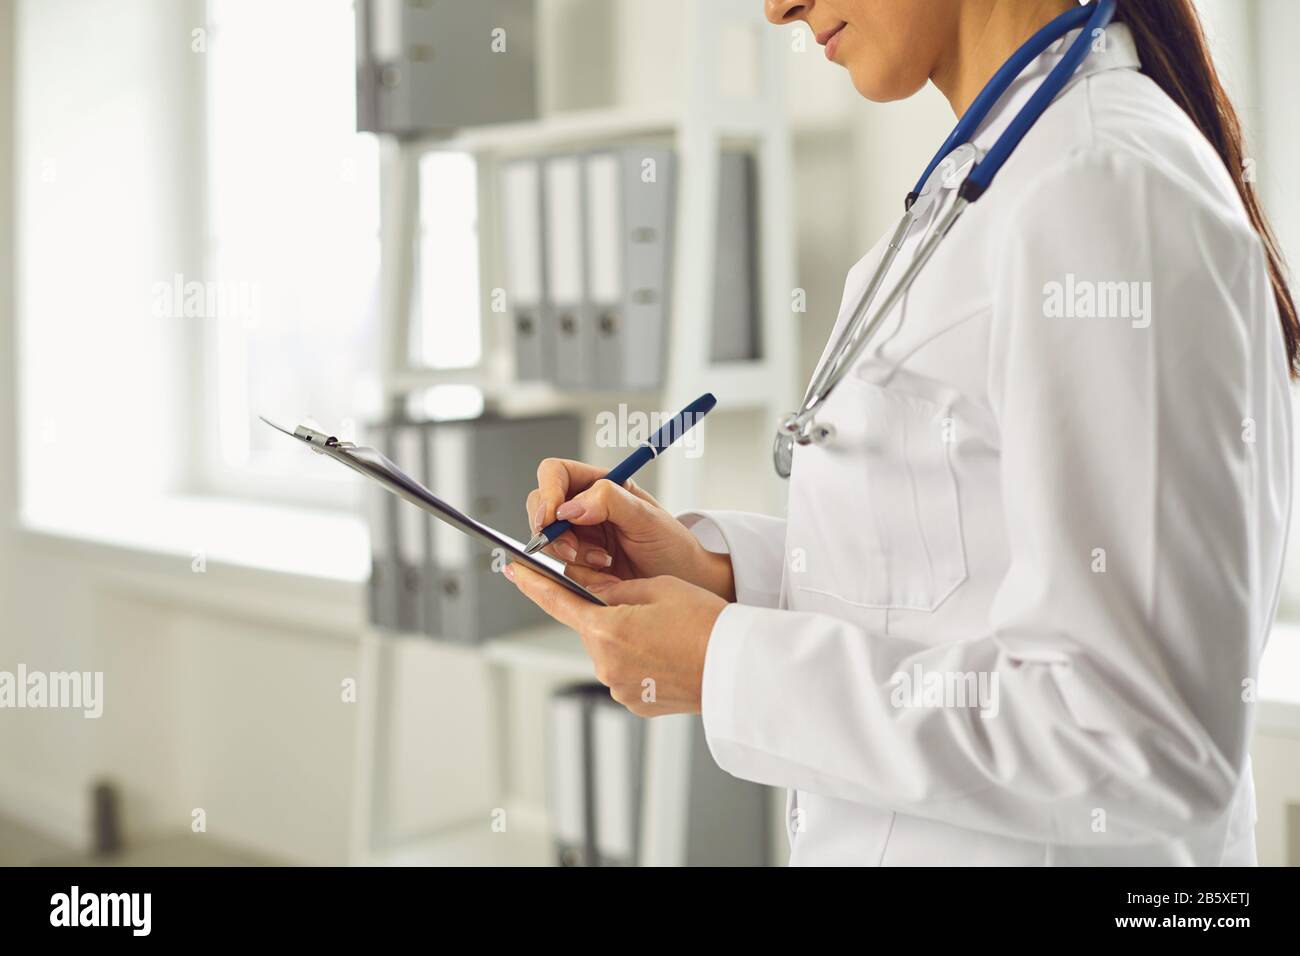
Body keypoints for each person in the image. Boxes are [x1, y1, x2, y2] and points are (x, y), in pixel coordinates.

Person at [502, 0, 1297, 865]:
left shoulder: (1103, 188)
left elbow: (1143, 744)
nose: (778, 9)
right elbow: (961, 575)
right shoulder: (993, 180)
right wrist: (721, 581)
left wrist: (730, 665)